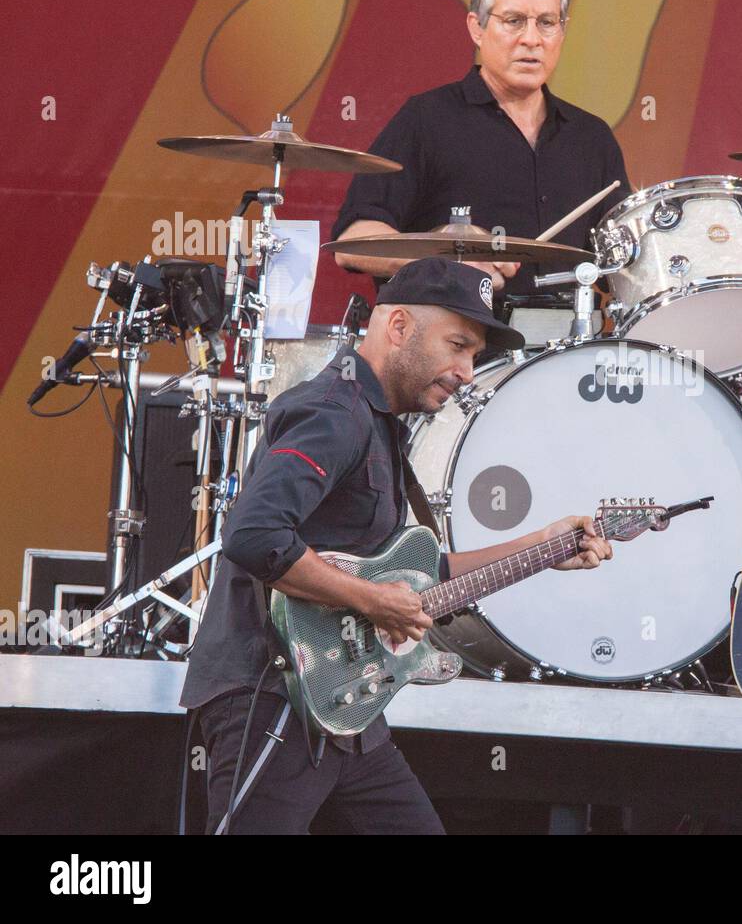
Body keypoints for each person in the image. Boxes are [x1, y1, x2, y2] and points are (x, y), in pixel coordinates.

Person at [179, 257, 614, 834]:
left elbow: (416, 575)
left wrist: (542, 546)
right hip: (274, 694)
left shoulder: (378, 422)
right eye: (457, 345)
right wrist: (371, 602)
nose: (466, 370)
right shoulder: (333, 413)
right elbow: (255, 537)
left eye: (474, 356)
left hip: (345, 701)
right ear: (399, 327)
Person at [331, 0, 629, 303]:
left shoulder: (592, 138)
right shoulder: (427, 119)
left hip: (565, 349)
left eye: (546, 23)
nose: (532, 39)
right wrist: (448, 260)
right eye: (514, 20)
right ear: (477, 27)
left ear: (562, 31)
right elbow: (352, 244)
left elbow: (626, 264)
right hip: (456, 346)